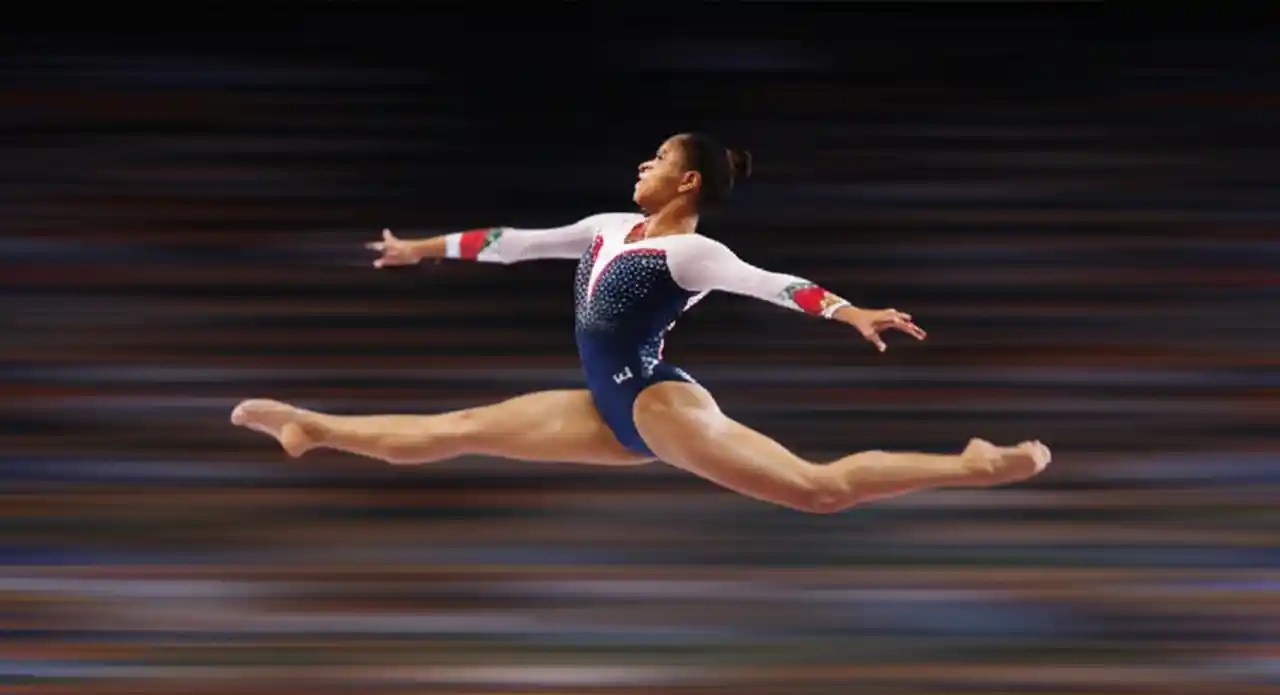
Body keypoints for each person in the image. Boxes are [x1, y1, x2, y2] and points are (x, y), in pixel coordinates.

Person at [232, 132, 1050, 514]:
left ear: (686, 181)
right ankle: (313, 429)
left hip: (659, 403)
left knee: (814, 490)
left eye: (656, 159)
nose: (640, 165)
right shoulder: (604, 227)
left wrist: (849, 310)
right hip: (608, 407)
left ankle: (970, 465)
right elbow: (514, 245)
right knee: (459, 427)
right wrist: (422, 248)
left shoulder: (693, 255)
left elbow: (773, 285)